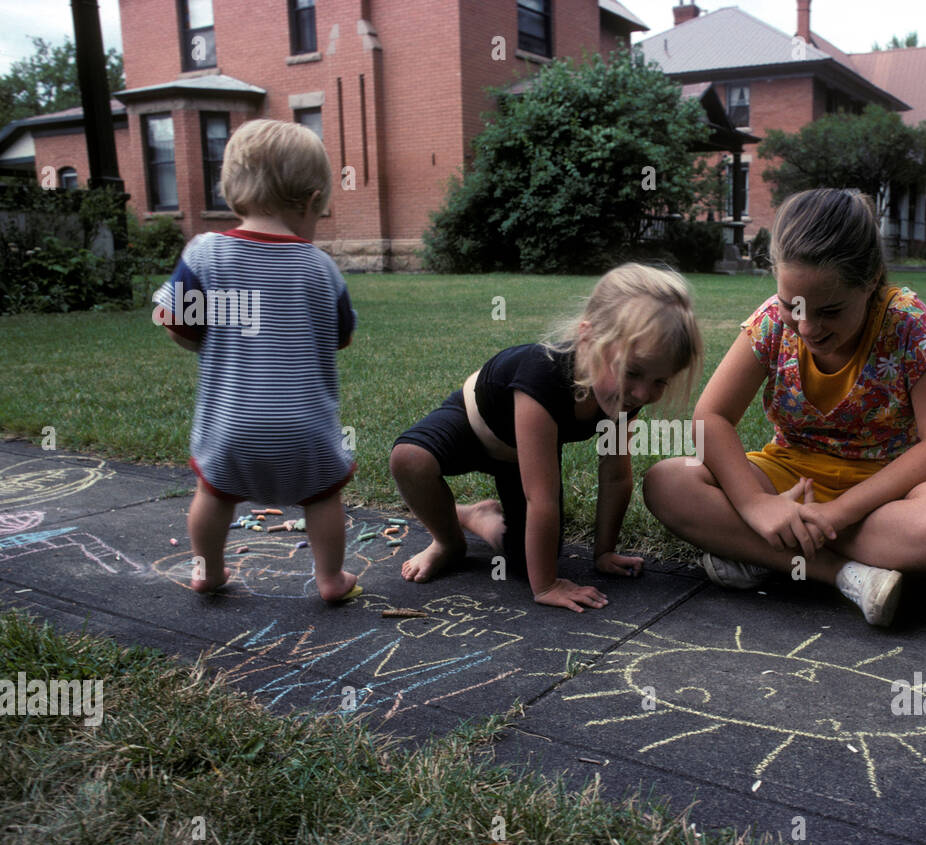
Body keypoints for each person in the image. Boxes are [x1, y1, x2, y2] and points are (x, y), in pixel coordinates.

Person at [643, 188, 926, 627]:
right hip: (786, 482)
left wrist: (837, 514)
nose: (808, 327)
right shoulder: (772, 321)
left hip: (882, 495)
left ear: (869, 282)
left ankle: (763, 552)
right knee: (668, 482)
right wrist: (756, 504)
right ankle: (846, 574)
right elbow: (710, 418)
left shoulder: (908, 324)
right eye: (794, 305)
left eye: (829, 311)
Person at [390, 264, 702, 613]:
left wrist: (603, 553)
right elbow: (541, 498)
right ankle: (448, 540)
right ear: (589, 339)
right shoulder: (543, 375)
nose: (643, 392)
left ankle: (479, 516)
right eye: (633, 372)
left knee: (525, 561)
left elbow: (615, 474)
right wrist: (547, 585)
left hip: (520, 454)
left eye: (661, 381)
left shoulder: (624, 394)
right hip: (473, 427)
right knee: (410, 459)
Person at [153, 119, 360, 602]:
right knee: (323, 496)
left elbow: (175, 323)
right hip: (306, 428)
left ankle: (208, 571)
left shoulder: (205, 254)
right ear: (311, 202)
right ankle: (330, 578)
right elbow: (339, 337)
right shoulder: (320, 267)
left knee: (214, 494)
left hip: (230, 425)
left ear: (233, 191)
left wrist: (214, 340)